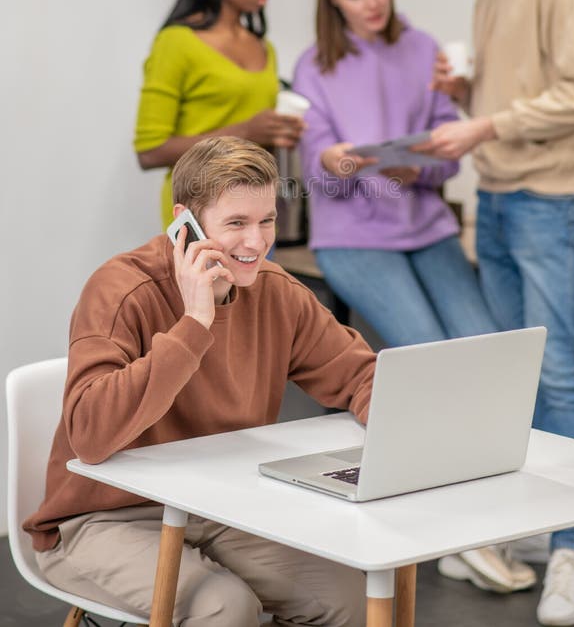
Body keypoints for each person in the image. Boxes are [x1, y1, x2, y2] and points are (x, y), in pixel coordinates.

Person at [24, 136, 375, 627]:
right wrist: (194, 323)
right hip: (101, 519)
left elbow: (360, 375)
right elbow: (90, 434)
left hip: (217, 507)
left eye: (266, 221)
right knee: (224, 608)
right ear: (184, 221)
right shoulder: (122, 289)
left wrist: (394, 417)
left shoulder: (277, 293)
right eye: (236, 223)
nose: (256, 243)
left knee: (346, 596)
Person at [421, 0, 574, 627]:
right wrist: (471, 94)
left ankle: (572, 554)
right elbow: (532, 87)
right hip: (494, 197)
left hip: (553, 200)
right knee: (514, 371)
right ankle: (531, 530)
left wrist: (487, 122)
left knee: (560, 373)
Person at [292, 0, 500, 348]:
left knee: (484, 344)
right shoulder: (313, 68)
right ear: (332, 0)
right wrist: (339, 163)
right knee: (428, 347)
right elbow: (325, 179)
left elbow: (451, 153)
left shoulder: (423, 49)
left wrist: (420, 169)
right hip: (352, 237)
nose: (372, 3)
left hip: (428, 228)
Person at [134, 0, 305, 229]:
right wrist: (245, 133)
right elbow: (150, 151)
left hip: (256, 214)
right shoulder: (176, 43)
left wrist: (279, 134)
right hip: (200, 214)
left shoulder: (264, 48)